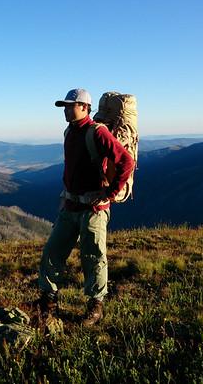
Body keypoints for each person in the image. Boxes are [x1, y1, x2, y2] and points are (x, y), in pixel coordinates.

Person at [35, 88, 135, 326]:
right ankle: (48, 302)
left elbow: (126, 162)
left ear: (85, 107)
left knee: (93, 257)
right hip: (70, 206)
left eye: (71, 105)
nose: (67, 110)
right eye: (65, 106)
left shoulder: (97, 132)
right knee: (52, 253)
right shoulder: (69, 131)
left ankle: (95, 306)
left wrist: (109, 194)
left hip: (93, 209)